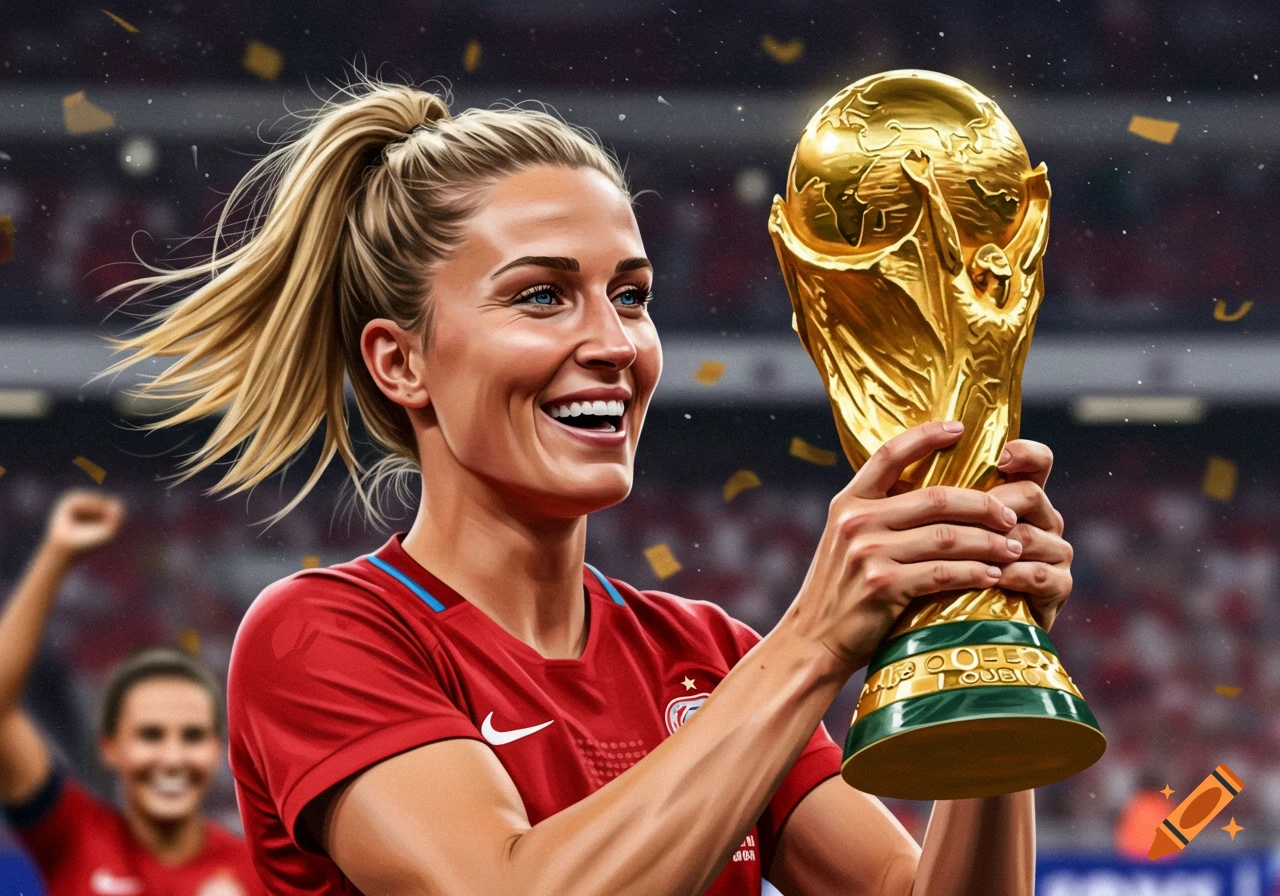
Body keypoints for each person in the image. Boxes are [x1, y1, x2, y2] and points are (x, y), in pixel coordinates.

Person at [99, 75, 1075, 895]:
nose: (613, 342)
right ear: (401, 362)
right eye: (541, 295)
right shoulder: (323, 635)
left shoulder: (708, 659)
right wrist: (814, 644)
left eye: (631, 296)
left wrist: (988, 632)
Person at [0, 490, 265, 896]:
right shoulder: (73, 834)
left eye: (192, 736)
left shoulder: (255, 875)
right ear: (110, 747)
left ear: (216, 749)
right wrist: (57, 554)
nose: (172, 758)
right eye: (150, 735)